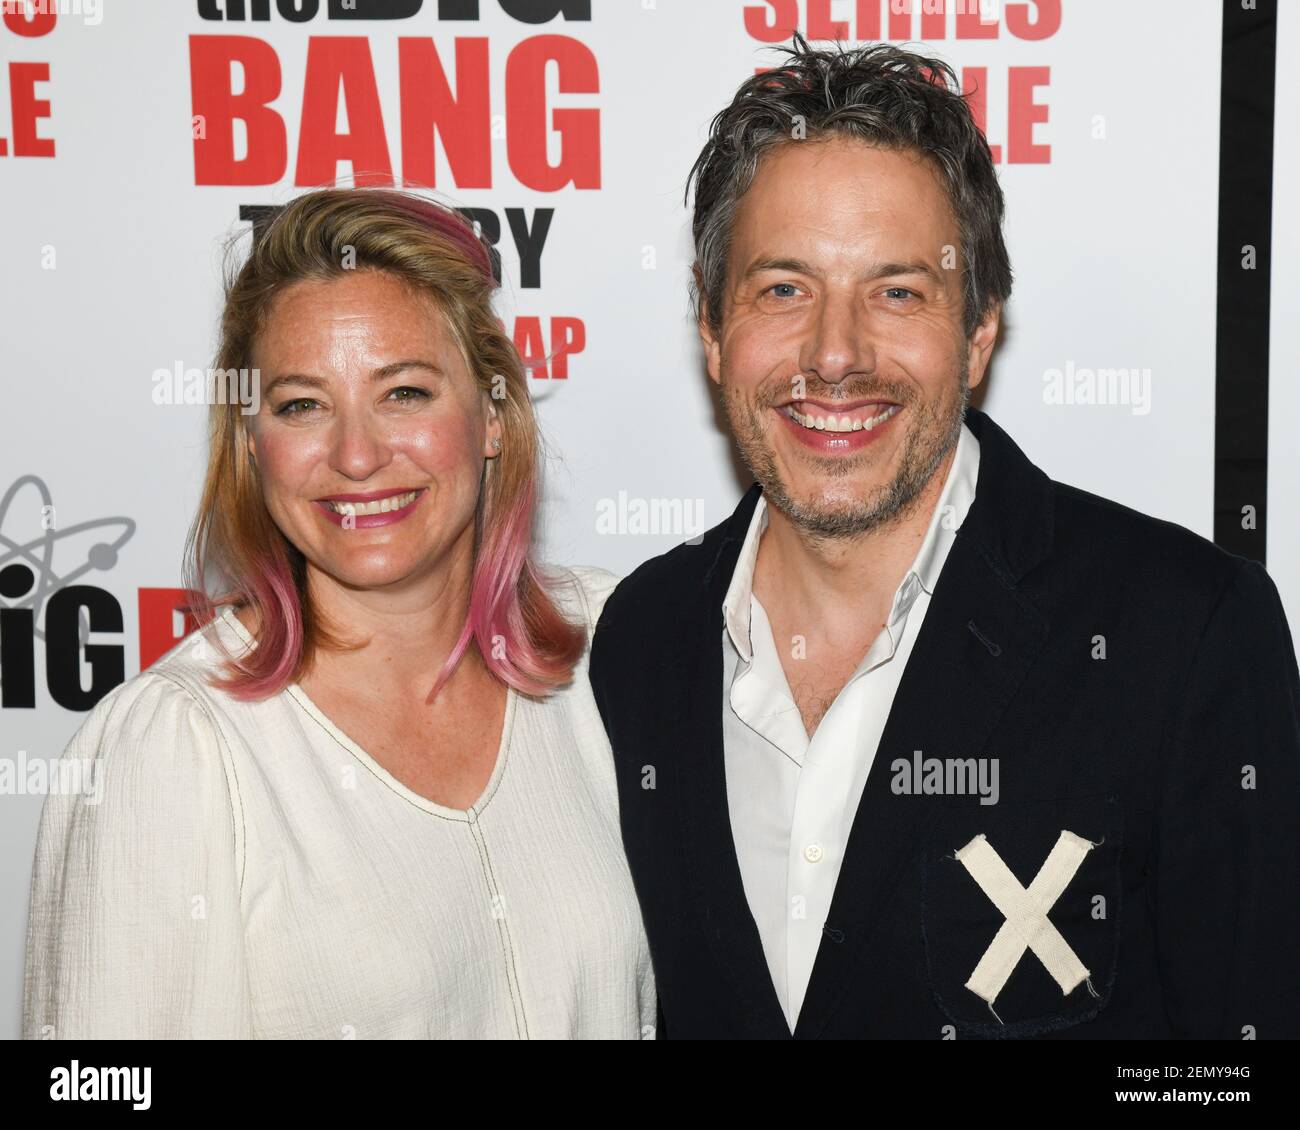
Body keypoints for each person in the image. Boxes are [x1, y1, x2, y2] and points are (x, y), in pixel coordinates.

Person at [588, 37, 1300, 1039]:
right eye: (782, 288)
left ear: (977, 333)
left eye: (898, 290)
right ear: (711, 330)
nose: (834, 355)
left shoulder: (1182, 637)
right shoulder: (641, 639)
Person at [23, 188, 654, 1039]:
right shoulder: (180, 749)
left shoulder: (611, 651)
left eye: (404, 393)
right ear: (252, 444)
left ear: (493, 414)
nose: (356, 456)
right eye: (301, 405)